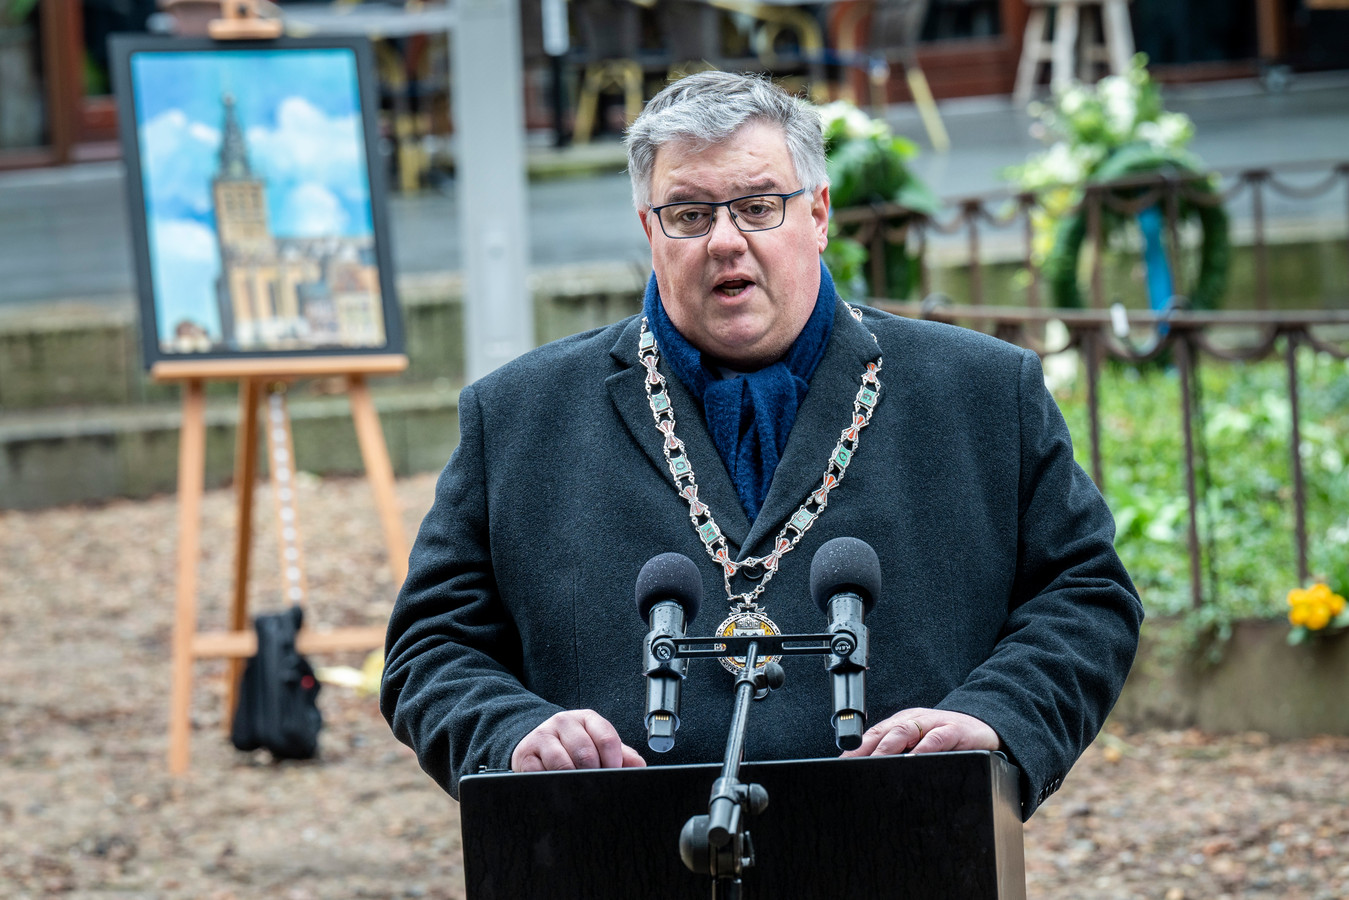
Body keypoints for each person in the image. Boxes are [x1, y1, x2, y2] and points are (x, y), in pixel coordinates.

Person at [381, 71, 1143, 820]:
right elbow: (430, 649)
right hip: (610, 851)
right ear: (649, 230)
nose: (723, 241)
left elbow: (1084, 596)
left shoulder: (981, 392)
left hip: (906, 838)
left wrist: (998, 720)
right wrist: (511, 735)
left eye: (757, 207)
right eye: (686, 213)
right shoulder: (518, 416)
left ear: (817, 213)